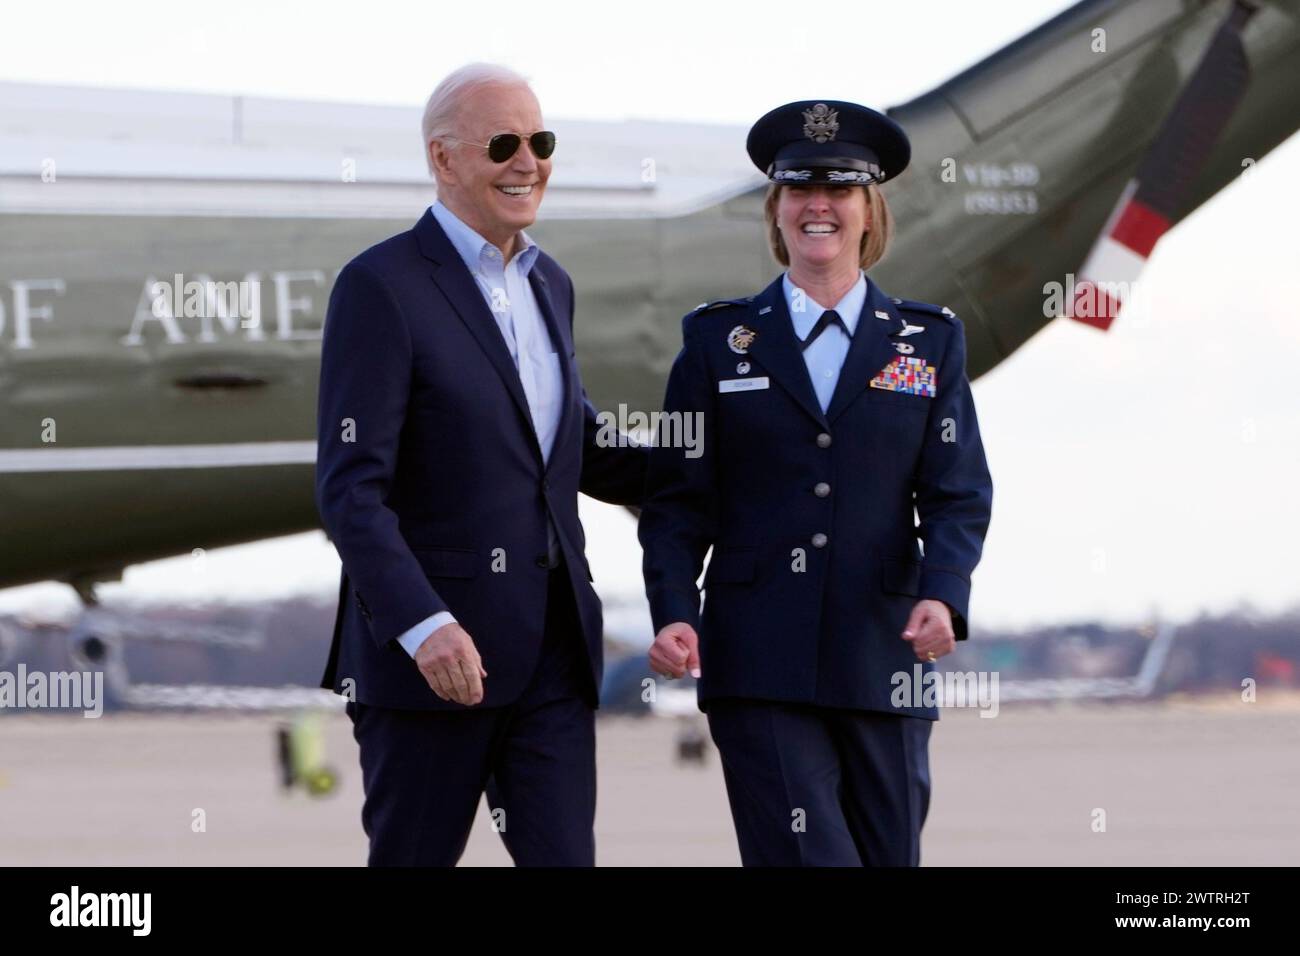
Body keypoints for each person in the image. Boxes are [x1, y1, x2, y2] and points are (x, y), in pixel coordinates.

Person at [639, 100, 993, 866]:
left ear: (870, 212)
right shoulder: (716, 341)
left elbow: (957, 489)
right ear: (777, 209)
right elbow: (677, 498)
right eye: (800, 189)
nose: (818, 205)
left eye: (840, 190)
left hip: (884, 657)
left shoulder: (930, 342)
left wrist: (945, 591)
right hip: (759, 662)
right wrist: (672, 607)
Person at [316, 63, 647, 866]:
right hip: (433, 665)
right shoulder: (381, 286)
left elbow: (570, 444)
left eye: (541, 142)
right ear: (444, 158)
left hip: (554, 655)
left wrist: (728, 456)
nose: (526, 161)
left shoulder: (550, 284)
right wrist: (424, 626)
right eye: (503, 143)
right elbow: (351, 489)